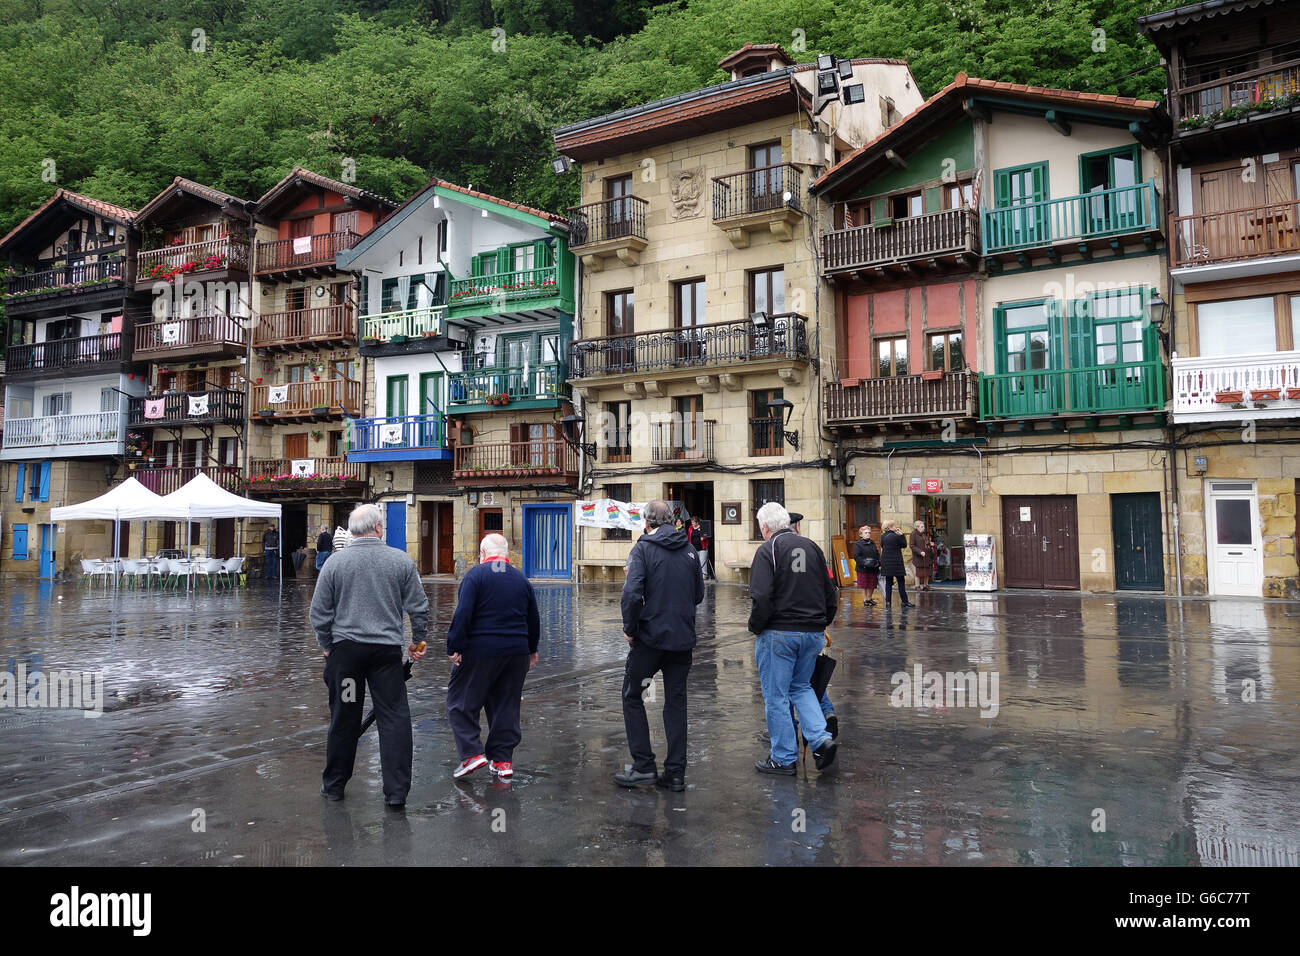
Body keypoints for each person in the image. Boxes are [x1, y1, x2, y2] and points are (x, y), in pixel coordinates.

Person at [310, 503, 429, 808]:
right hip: (384, 656)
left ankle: (334, 786)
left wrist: (327, 645)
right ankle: (396, 793)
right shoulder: (399, 561)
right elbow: (419, 607)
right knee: (393, 718)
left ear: (352, 531)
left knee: (345, 717)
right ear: (378, 528)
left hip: (347, 655)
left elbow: (318, 613)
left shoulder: (335, 565)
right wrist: (417, 641)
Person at [614, 499, 704, 791]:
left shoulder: (642, 548)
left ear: (647, 523)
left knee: (633, 696)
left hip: (650, 641)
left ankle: (644, 766)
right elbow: (699, 595)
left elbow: (630, 594)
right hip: (681, 642)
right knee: (676, 704)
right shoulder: (689, 550)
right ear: (671, 521)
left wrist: (630, 628)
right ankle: (676, 773)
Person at [749, 502, 839, 776]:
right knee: (801, 688)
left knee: (776, 696)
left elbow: (761, 597)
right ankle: (821, 739)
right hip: (812, 632)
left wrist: (756, 626)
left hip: (780, 633)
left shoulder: (768, 550)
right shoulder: (811, 547)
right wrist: (822, 622)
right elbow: (830, 591)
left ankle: (784, 757)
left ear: (765, 527)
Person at [445, 534, 540, 781]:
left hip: (481, 650)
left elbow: (463, 613)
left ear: (483, 554)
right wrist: (532, 649)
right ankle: (502, 760)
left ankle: (471, 754)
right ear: (506, 555)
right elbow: (533, 618)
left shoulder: (475, 576)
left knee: (461, 701)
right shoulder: (521, 579)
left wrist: (454, 646)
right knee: (506, 705)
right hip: (516, 652)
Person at [880, 521, 914, 608]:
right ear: (891, 527)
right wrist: (901, 535)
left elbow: (882, 545)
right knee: (901, 582)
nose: (896, 526)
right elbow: (904, 545)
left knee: (888, 583)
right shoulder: (896, 536)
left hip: (887, 563)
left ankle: (888, 602)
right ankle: (904, 601)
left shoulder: (883, 536)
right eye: (895, 525)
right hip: (896, 562)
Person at [853, 525, 880, 607]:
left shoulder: (872, 543)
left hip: (873, 567)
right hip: (863, 567)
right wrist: (864, 563)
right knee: (864, 584)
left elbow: (876, 553)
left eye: (869, 532)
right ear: (861, 534)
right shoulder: (858, 544)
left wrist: (878, 562)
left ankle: (869, 598)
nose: (868, 534)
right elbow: (856, 556)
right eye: (866, 533)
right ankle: (865, 599)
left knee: (872, 584)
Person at [910, 520, 932, 591]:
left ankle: (926, 585)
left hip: (926, 556)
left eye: (923, 526)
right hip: (919, 557)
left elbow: (926, 542)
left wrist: (930, 543)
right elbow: (912, 546)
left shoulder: (923, 534)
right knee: (919, 572)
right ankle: (917, 586)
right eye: (922, 526)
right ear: (917, 527)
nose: (923, 528)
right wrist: (920, 552)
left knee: (927, 571)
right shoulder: (913, 534)